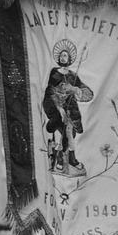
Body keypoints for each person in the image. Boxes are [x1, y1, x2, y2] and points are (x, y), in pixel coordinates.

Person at [42, 38, 94, 175]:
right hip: (55, 106)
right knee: (65, 127)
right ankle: (62, 157)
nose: (63, 57)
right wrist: (60, 108)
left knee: (70, 131)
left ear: (69, 58)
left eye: (65, 55)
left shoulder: (73, 75)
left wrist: (77, 90)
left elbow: (87, 93)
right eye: (61, 55)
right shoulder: (54, 72)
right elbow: (51, 91)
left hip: (70, 109)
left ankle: (67, 157)